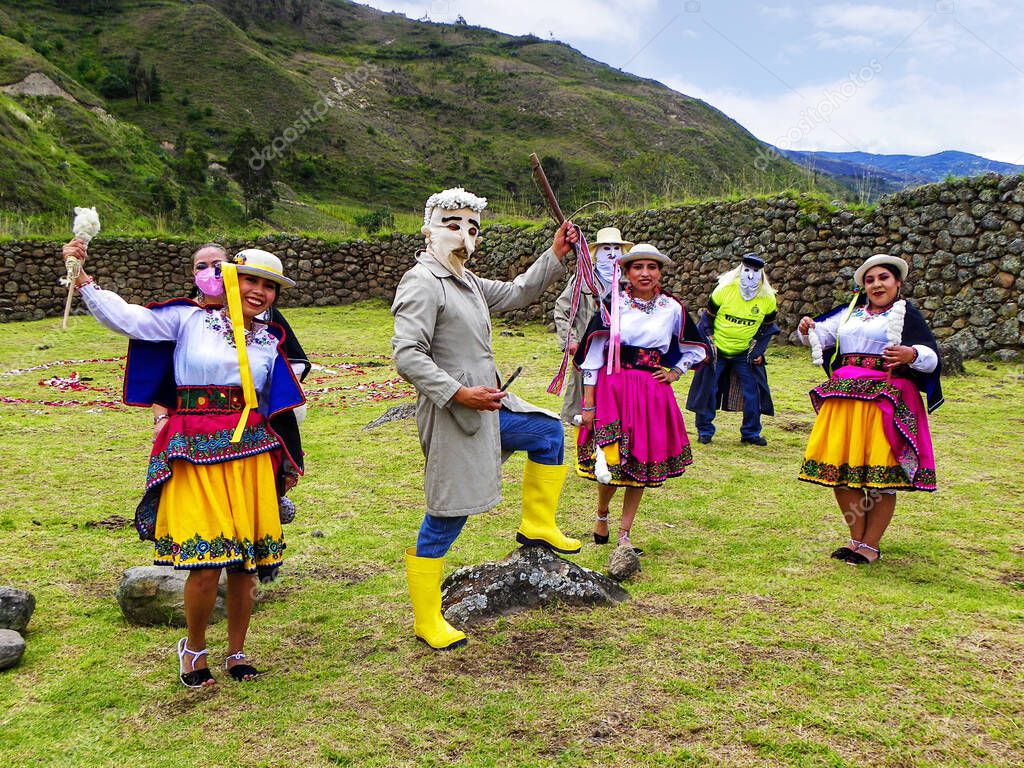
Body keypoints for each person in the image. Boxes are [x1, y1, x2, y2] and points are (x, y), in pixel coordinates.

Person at [62, 240, 305, 686]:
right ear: (229, 278)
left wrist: (283, 454)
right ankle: (193, 649)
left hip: (249, 453)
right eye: (250, 279)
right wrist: (83, 281)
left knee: (246, 560)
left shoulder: (270, 340)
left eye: (269, 287)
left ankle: (237, 650)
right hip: (194, 449)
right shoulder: (188, 319)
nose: (259, 291)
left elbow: (277, 401)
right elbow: (129, 319)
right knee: (206, 559)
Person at [391, 186, 580, 651]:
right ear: (429, 229)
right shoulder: (422, 281)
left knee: (547, 431)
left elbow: (520, 291)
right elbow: (407, 355)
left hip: (490, 408)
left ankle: (538, 523)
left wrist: (554, 254)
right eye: (452, 224)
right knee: (447, 512)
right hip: (453, 413)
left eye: (471, 227)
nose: (462, 235)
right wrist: (459, 393)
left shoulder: (468, 282)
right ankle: (427, 617)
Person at [796, 253, 942, 565]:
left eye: (883, 278)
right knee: (841, 474)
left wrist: (910, 353)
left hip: (884, 400)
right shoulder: (851, 313)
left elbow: (931, 356)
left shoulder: (905, 315)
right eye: (870, 280)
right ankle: (856, 540)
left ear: (897, 283)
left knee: (881, 479)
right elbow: (822, 335)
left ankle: (870, 546)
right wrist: (809, 328)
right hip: (845, 400)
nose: (876, 284)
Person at [574, 243, 709, 554]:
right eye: (638, 268)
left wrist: (675, 370)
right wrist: (589, 404)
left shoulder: (672, 308)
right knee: (610, 458)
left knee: (640, 462)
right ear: (626, 273)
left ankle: (624, 534)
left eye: (652, 267)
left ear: (660, 272)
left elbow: (696, 347)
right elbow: (593, 354)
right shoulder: (613, 305)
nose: (645, 273)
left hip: (651, 391)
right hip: (614, 388)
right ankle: (602, 513)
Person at [152, 244, 310, 440]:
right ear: (192, 272)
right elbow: (162, 369)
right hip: (187, 416)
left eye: (217, 265)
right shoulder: (183, 316)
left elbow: (290, 367)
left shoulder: (264, 316)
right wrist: (161, 417)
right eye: (201, 266)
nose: (210, 271)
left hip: (248, 421)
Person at [687, 253, 779, 446]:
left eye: (756, 271)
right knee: (708, 389)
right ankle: (704, 430)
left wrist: (758, 351)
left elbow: (768, 328)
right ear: (740, 271)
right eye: (747, 270)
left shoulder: (768, 299)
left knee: (753, 391)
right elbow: (706, 320)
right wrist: (707, 348)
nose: (751, 276)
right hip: (717, 350)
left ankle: (751, 433)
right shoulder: (724, 290)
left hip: (744, 353)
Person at [552, 227, 632, 425]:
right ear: (597, 254)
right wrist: (570, 339)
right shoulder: (582, 281)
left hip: (623, 360)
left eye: (616, 248)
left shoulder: (631, 284)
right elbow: (562, 310)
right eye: (606, 248)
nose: (612, 253)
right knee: (582, 416)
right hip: (587, 356)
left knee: (620, 417)